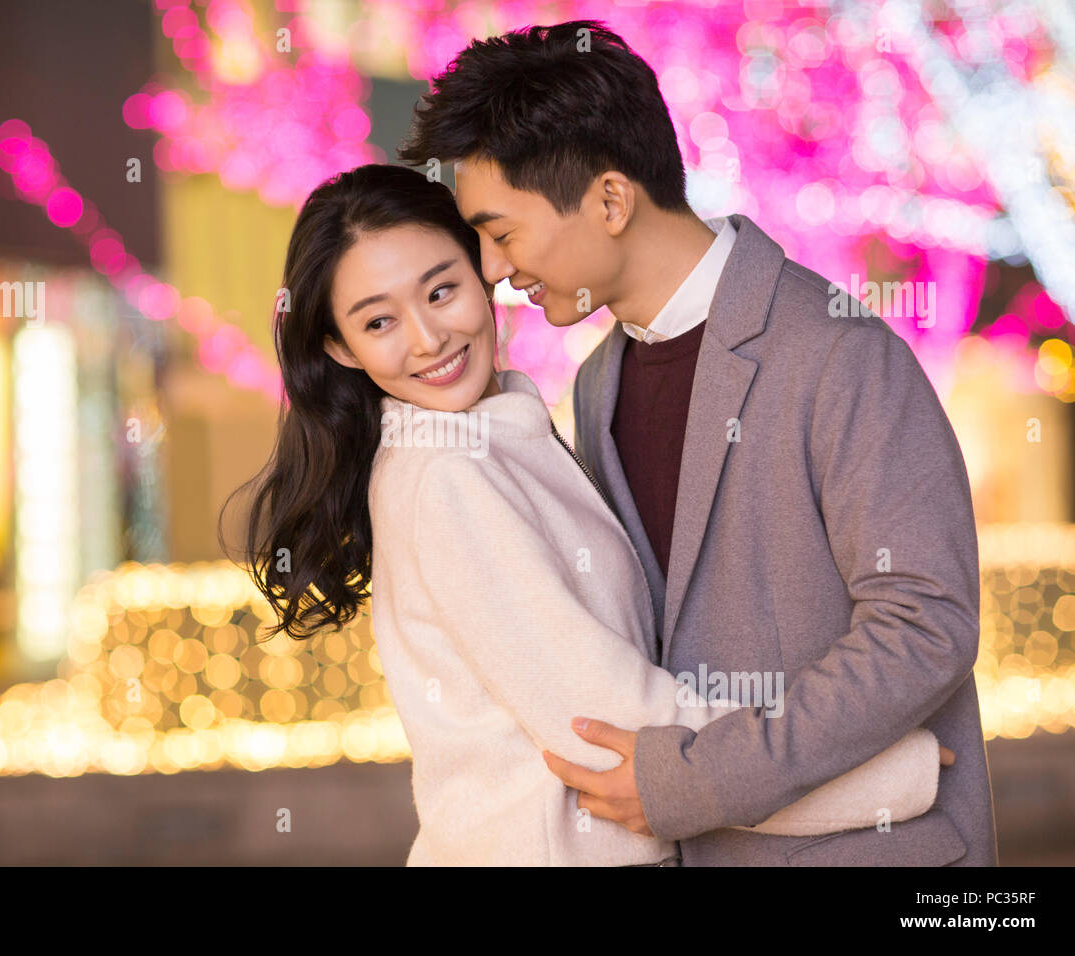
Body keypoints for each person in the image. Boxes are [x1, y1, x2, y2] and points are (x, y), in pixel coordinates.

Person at [394, 18, 997, 865]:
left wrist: (703, 776)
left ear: (610, 199)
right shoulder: (597, 383)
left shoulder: (838, 352)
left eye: (500, 231)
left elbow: (925, 624)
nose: (491, 268)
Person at [228, 162, 951, 866]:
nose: (427, 339)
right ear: (339, 348)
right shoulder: (446, 477)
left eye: (441, 291)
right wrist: (889, 778)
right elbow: (607, 723)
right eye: (379, 321)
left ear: (481, 274)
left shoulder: (510, 435)